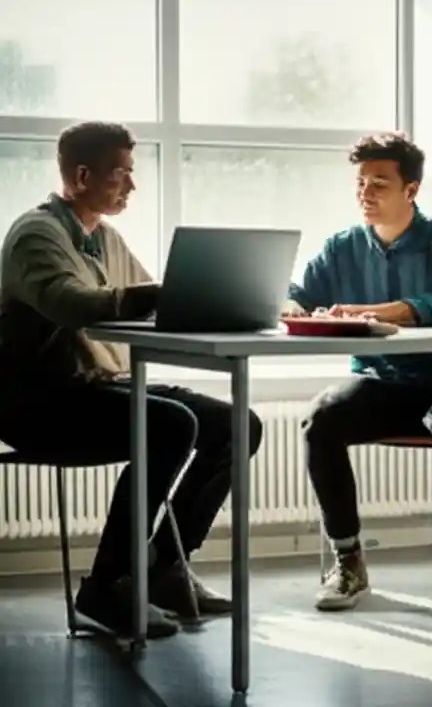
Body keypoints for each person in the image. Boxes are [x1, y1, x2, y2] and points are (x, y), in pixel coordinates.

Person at [0, 121, 264, 638]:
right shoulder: (37, 234)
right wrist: (160, 293)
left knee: (236, 424)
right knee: (168, 425)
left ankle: (162, 567)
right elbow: (72, 303)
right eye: (121, 173)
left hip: (91, 388)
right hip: (34, 403)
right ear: (81, 176)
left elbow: (149, 303)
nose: (131, 186)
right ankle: (106, 586)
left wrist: (227, 297)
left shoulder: (104, 236)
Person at [284, 132, 432, 612]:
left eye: (379, 183)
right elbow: (301, 294)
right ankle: (348, 562)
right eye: (360, 183)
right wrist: (291, 304)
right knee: (320, 421)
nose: (365, 193)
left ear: (411, 190)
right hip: (382, 382)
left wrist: (370, 312)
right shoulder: (340, 246)